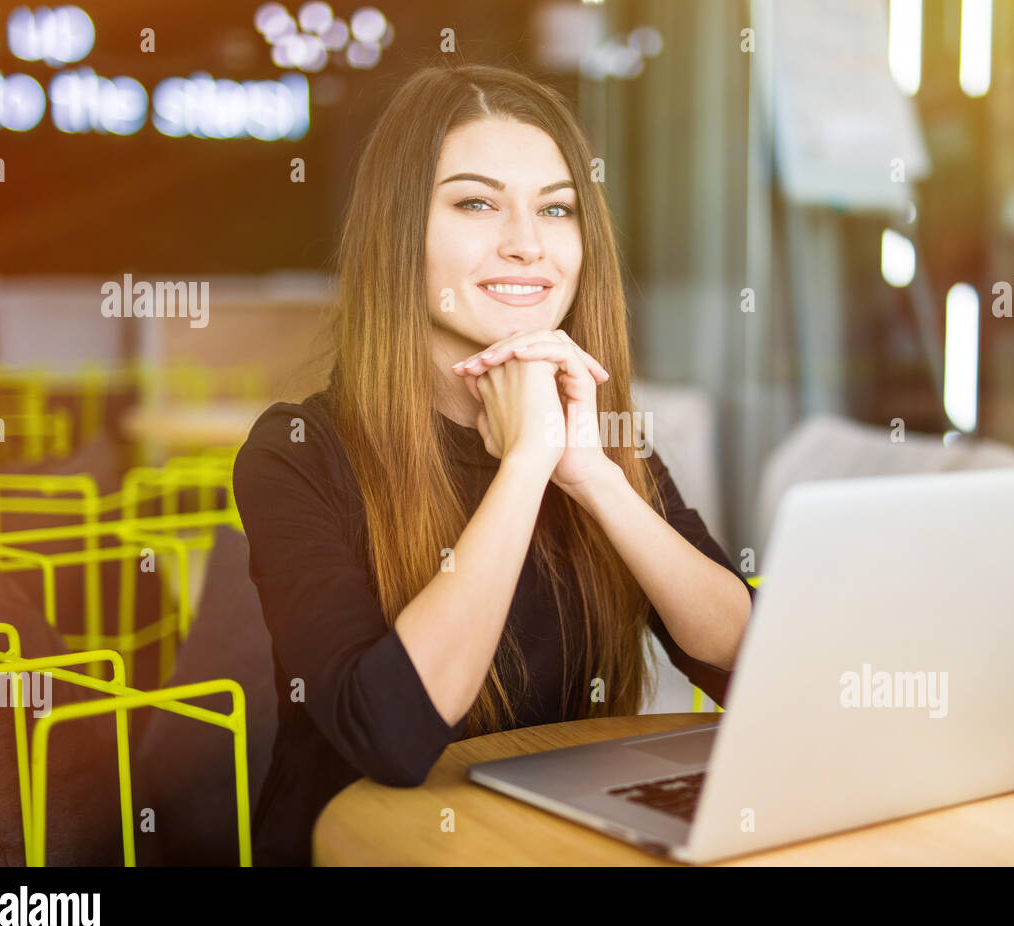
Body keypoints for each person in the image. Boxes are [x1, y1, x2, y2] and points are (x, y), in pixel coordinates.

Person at [232, 63, 754, 866]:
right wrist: (524, 464)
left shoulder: (597, 436)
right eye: (476, 203)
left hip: (548, 848)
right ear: (401, 232)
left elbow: (745, 669)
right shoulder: (296, 454)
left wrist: (594, 478)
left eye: (556, 209)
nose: (528, 244)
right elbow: (395, 736)